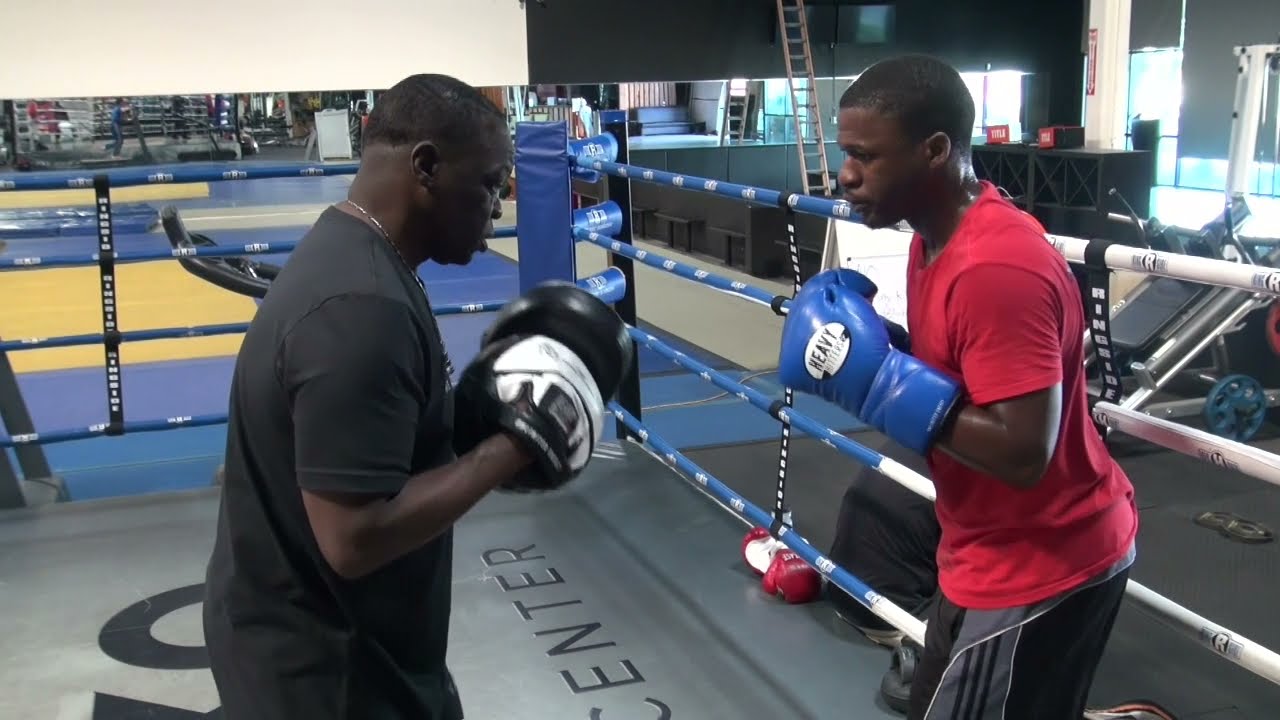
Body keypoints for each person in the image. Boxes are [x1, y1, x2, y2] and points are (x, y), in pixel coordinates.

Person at [202, 73, 630, 720]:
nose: (498, 207)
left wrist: (473, 413)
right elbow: (353, 539)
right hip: (329, 677)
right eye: (490, 184)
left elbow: (377, 444)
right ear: (426, 168)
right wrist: (515, 443)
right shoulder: (362, 310)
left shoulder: (355, 251)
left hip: (336, 641)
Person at [778, 54, 1138, 720]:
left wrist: (877, 379)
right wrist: (888, 347)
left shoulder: (995, 266)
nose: (846, 175)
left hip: (1040, 565)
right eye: (845, 152)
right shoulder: (931, 242)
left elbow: (1023, 452)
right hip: (977, 552)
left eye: (865, 156)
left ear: (935, 150)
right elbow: (969, 377)